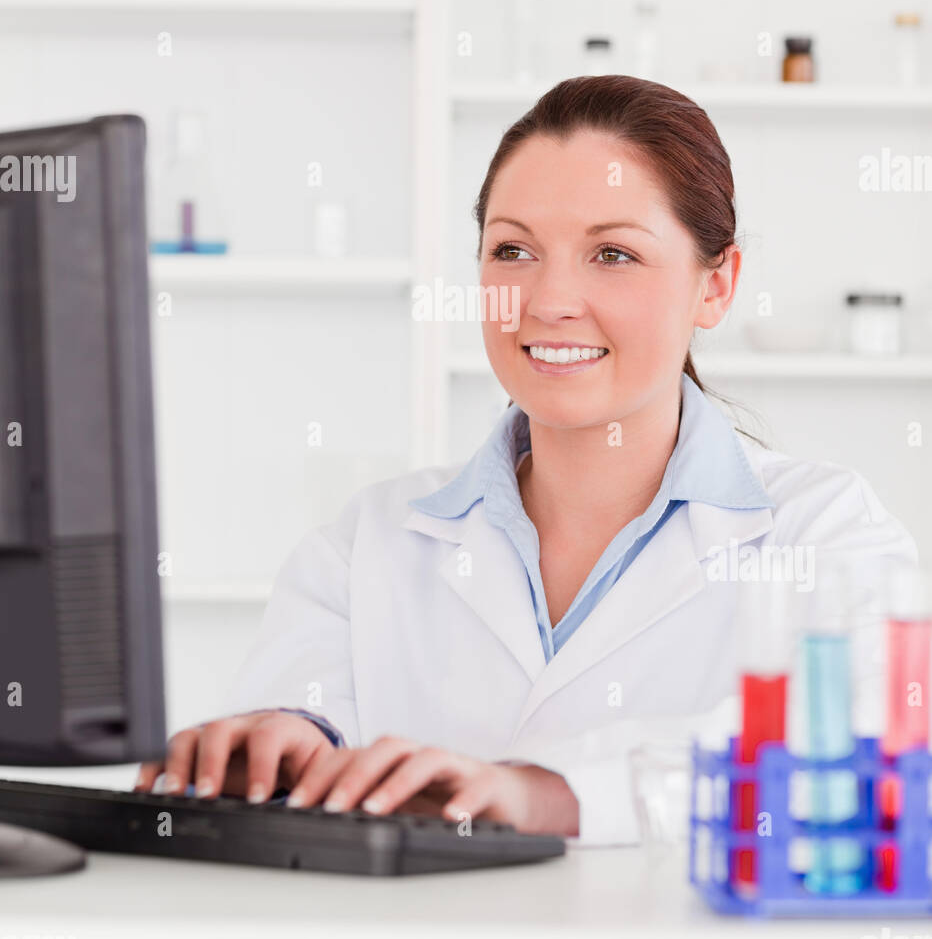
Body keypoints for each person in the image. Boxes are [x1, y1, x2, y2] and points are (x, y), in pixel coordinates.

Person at [135, 75, 918, 845]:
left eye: (612, 254)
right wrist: (283, 743)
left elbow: (870, 752)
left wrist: (550, 795)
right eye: (513, 250)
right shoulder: (367, 542)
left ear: (716, 287)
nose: (548, 301)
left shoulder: (824, 531)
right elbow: (301, 714)